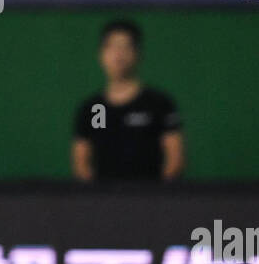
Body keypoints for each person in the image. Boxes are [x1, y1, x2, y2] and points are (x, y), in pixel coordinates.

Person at [72, 19, 185, 182]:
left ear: (138, 53)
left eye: (126, 47)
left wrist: (157, 199)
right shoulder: (92, 108)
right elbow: (81, 164)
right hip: (101, 202)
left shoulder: (158, 103)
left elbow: (175, 159)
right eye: (112, 47)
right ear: (101, 54)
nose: (119, 55)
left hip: (151, 200)